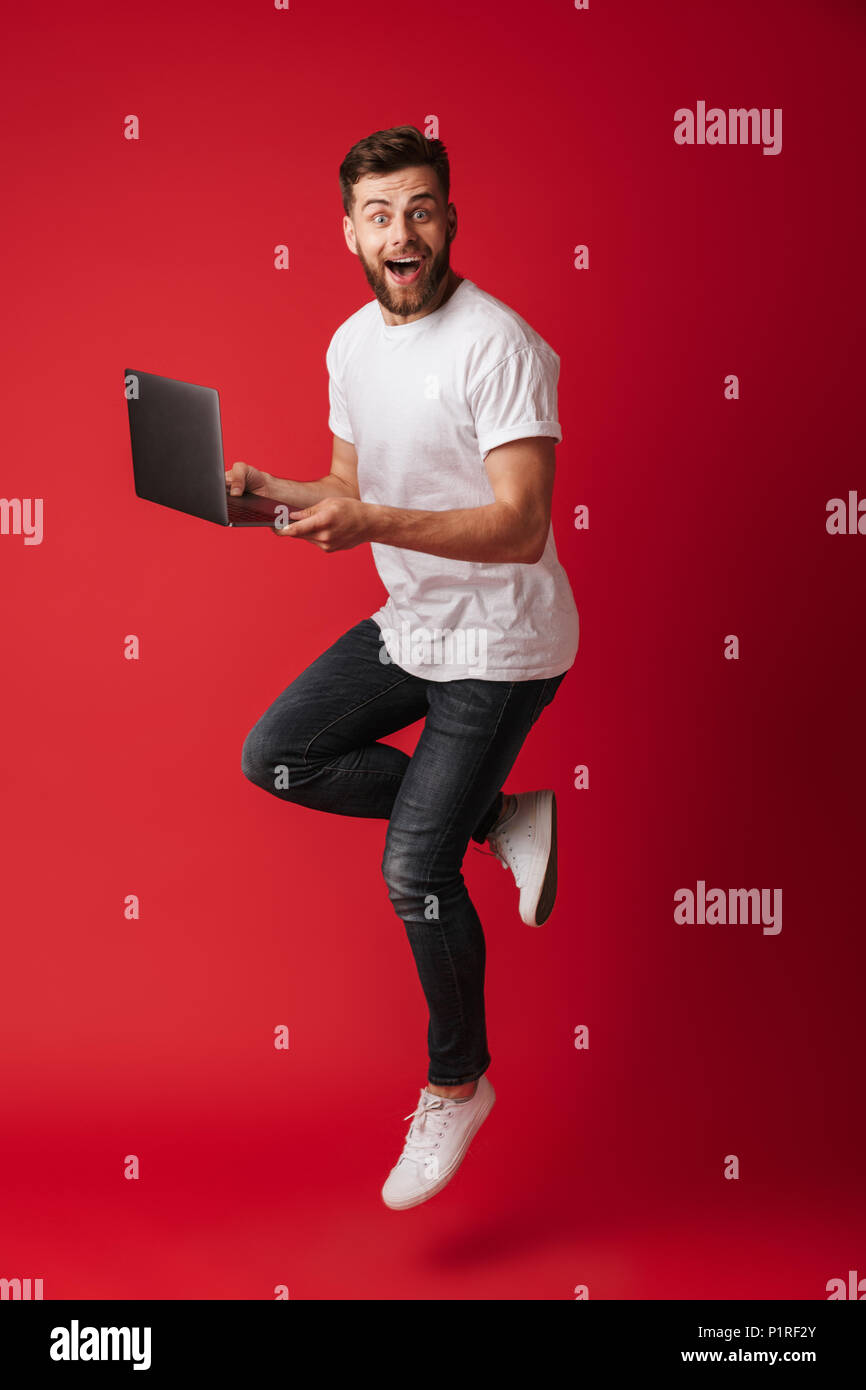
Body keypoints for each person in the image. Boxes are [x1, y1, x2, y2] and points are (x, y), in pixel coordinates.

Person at [230, 125, 580, 1210]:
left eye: (420, 209)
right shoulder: (349, 344)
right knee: (277, 755)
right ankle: (498, 817)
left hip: (501, 642)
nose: (401, 232)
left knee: (409, 873)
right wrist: (269, 500)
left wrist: (370, 516)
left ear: (448, 220)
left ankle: (455, 1079)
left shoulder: (499, 346)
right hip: (414, 620)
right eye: (379, 214)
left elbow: (522, 528)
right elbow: (346, 478)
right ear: (348, 231)